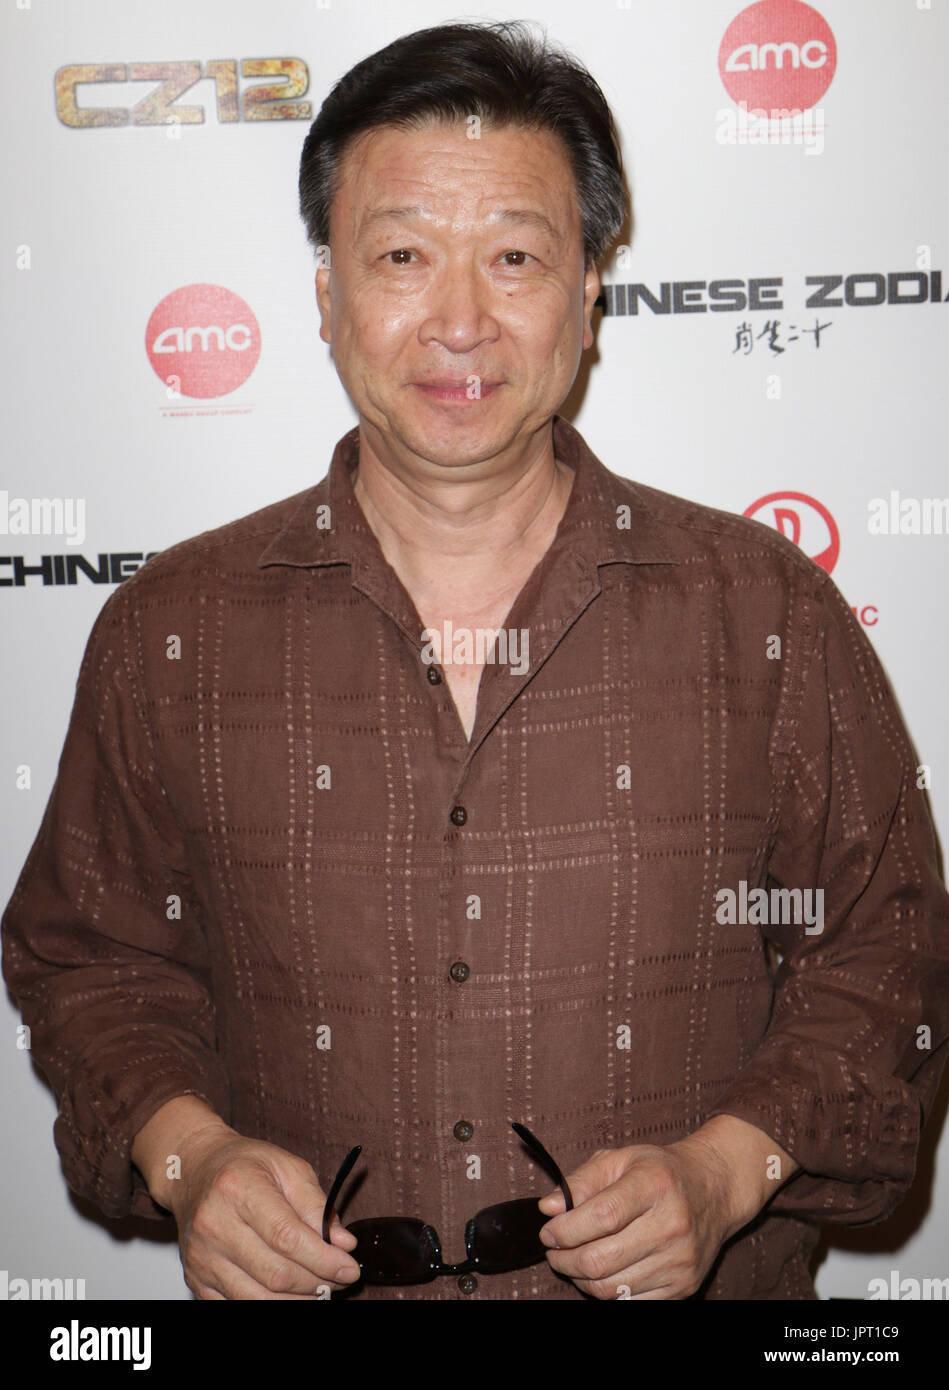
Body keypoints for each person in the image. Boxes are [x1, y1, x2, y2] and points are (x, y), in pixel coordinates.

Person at [3, 20, 948, 1303]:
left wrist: (728, 1173)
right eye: (401, 255)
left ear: (591, 291)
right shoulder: (172, 629)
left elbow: (883, 946)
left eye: (514, 256)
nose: (459, 320)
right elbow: (93, 955)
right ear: (328, 293)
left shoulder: (763, 611)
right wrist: (191, 1154)